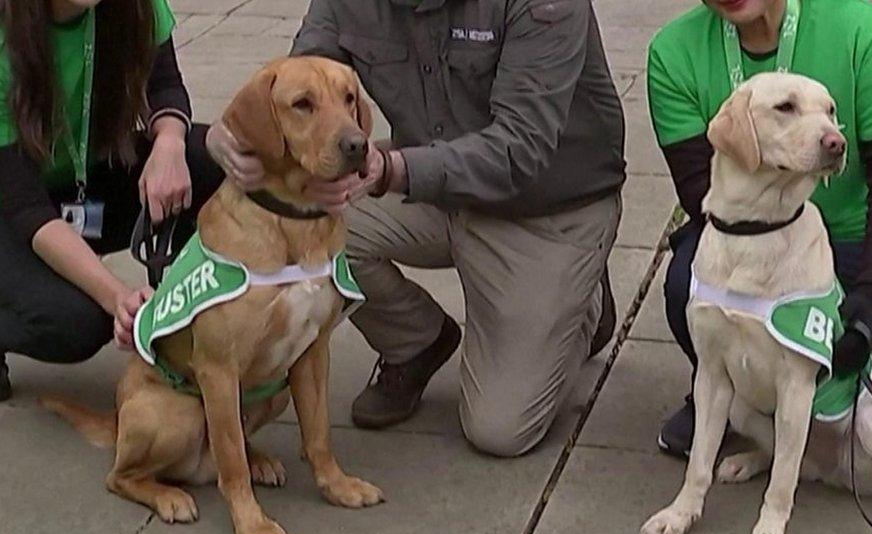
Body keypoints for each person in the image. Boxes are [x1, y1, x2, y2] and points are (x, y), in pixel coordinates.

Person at [207, 0, 625, 458]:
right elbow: (304, 79)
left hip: (544, 207)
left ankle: (584, 302)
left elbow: (522, 148)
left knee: (500, 429)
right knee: (302, 224)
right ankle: (414, 340)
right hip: (426, 179)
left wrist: (390, 170)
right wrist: (226, 138)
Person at [648, 0, 872, 458]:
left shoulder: (862, 32)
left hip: (861, 234)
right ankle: (735, 392)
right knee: (685, 286)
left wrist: (871, 293)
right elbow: (698, 192)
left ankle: (854, 399)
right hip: (755, 237)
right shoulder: (673, 53)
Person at [0, 0, 223, 401]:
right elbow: (26, 207)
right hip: (12, 202)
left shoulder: (135, 6)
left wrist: (169, 144)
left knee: (208, 158)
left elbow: (165, 85)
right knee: (76, 323)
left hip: (81, 181)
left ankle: (195, 323)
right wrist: (117, 296)